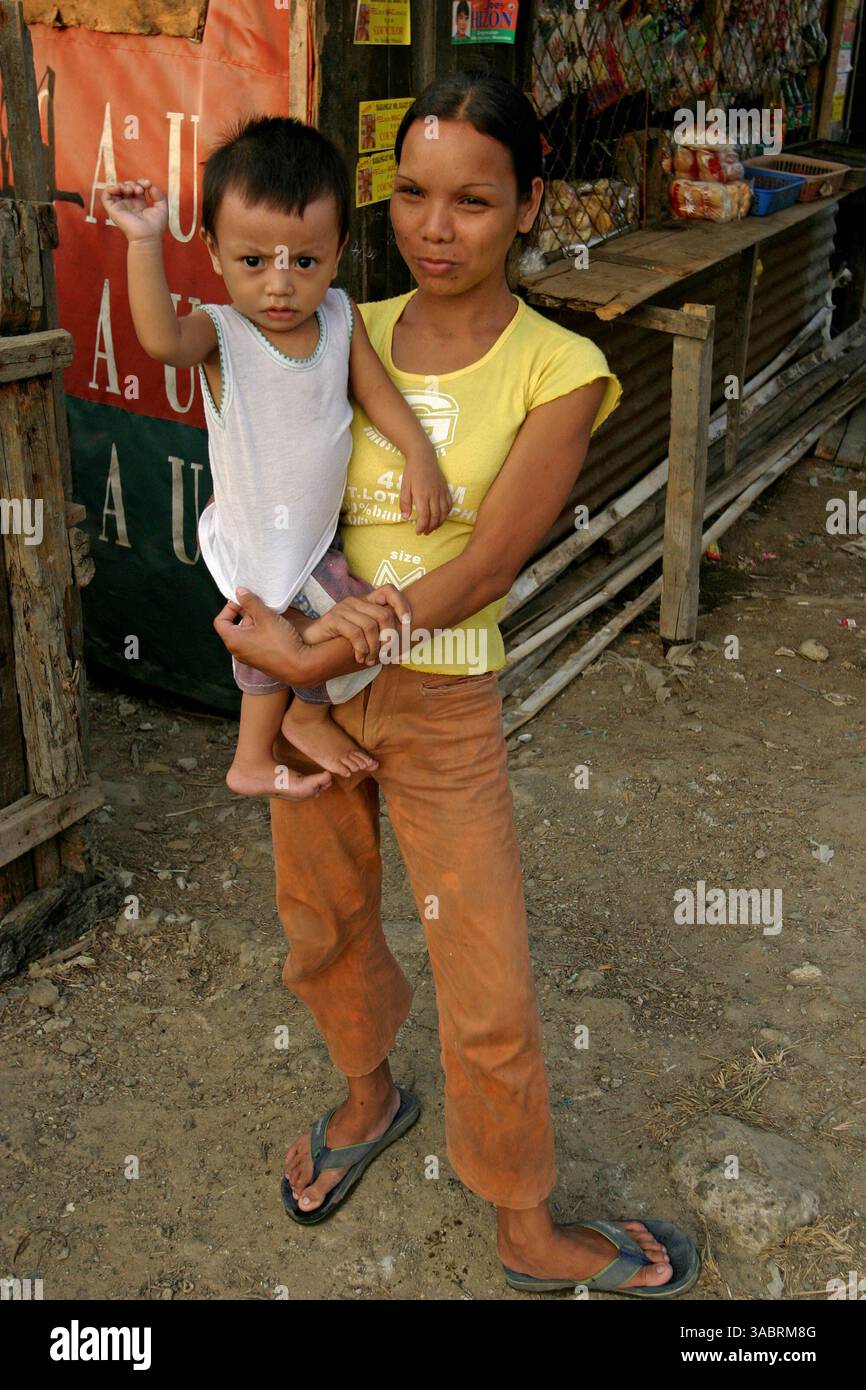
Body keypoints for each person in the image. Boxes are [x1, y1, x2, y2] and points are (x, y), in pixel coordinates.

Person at [213, 71, 701, 1296]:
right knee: (320, 923)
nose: (436, 230)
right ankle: (369, 1097)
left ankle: (521, 1220)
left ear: (528, 203)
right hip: (310, 695)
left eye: (474, 201)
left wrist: (316, 656)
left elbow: (484, 564)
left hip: (436, 703)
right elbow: (249, 462)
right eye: (413, 197)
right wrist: (294, 676)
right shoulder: (334, 322)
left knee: (483, 972)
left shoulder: (561, 368)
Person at [101, 117, 451, 800]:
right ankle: (258, 753)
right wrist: (143, 241)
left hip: (313, 538)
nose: (280, 286)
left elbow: (376, 394)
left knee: (332, 629)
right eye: (253, 261)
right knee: (327, 630)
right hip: (260, 538)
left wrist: (420, 455)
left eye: (305, 261)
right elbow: (158, 339)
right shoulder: (220, 333)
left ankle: (290, 727)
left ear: (340, 248)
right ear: (213, 249)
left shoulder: (342, 319)